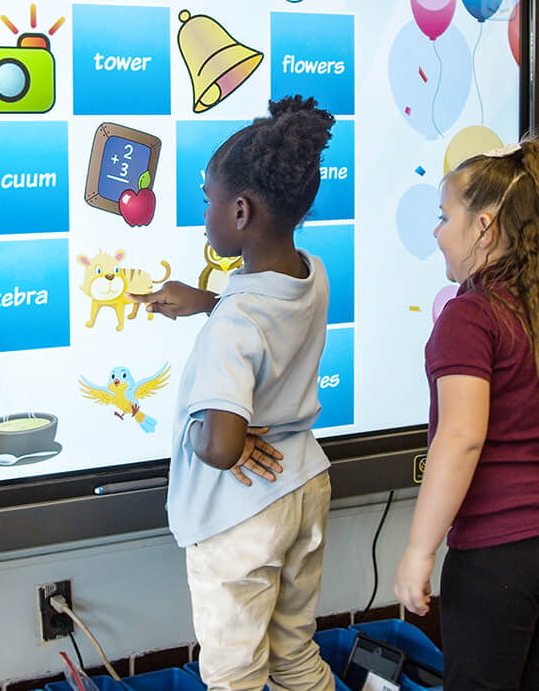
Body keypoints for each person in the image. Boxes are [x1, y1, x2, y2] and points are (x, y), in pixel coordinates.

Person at [393, 138, 539, 690]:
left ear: (485, 226)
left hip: (500, 557)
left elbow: (461, 438)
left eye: (445, 216)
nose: (437, 231)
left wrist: (418, 553)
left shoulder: (470, 318)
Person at [132, 95, 337, 691]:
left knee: (234, 676)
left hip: (241, 514)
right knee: (295, 655)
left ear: (241, 211)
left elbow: (221, 447)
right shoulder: (311, 272)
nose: (204, 217)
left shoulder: (234, 326)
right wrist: (208, 301)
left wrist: (211, 434)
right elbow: (266, 311)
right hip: (304, 486)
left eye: (208, 202)